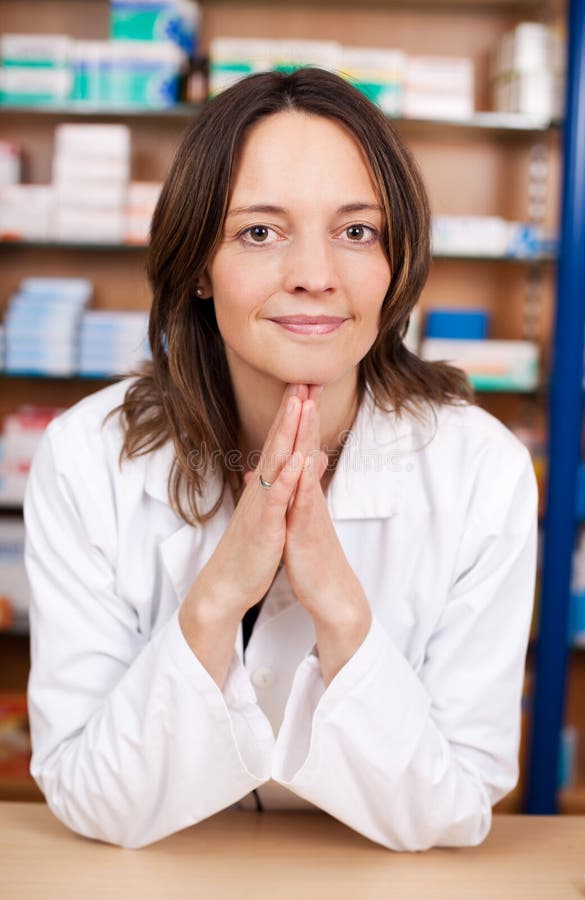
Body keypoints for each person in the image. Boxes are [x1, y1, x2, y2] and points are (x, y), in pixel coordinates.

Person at [24, 67, 538, 851]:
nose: (314, 275)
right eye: (259, 231)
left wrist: (339, 606)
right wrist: (218, 596)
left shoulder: (479, 471)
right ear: (197, 262)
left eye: (356, 231)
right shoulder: (87, 458)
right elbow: (89, 798)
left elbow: (458, 807)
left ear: (396, 262)